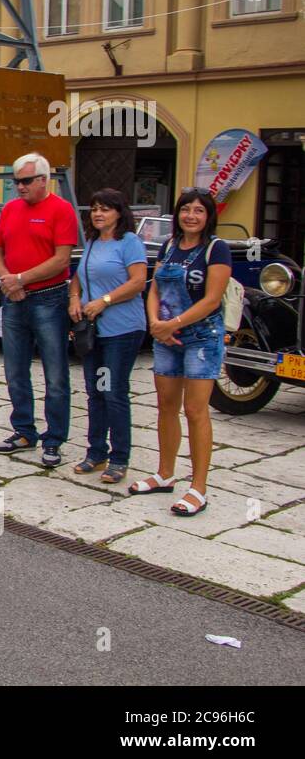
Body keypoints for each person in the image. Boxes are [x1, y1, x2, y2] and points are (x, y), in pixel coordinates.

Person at [131, 188, 232, 517]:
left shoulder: (217, 250)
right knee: (165, 406)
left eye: (198, 211)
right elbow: (155, 286)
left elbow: (212, 300)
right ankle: (165, 473)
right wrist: (155, 323)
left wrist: (173, 323)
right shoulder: (169, 245)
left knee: (195, 410)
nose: (191, 215)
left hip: (201, 338)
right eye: (186, 209)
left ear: (208, 217)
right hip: (166, 337)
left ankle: (199, 488)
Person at [0, 152, 78, 466]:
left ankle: (54, 439)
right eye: (16, 182)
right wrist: (6, 278)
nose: (19, 187)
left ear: (43, 179)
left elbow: (61, 258)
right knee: (14, 371)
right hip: (13, 297)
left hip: (48, 297)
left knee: (55, 374)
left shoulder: (61, 209)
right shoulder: (11, 209)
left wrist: (20, 278)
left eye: (26, 181)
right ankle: (24, 430)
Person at [68, 189, 148, 484]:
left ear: (119, 212)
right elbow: (78, 278)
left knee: (114, 393)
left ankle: (119, 457)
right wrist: (74, 298)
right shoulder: (91, 243)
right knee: (95, 392)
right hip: (94, 330)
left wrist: (105, 300)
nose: (99, 214)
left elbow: (138, 281)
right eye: (95, 209)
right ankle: (96, 451)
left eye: (106, 209)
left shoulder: (129, 242)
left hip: (123, 329)